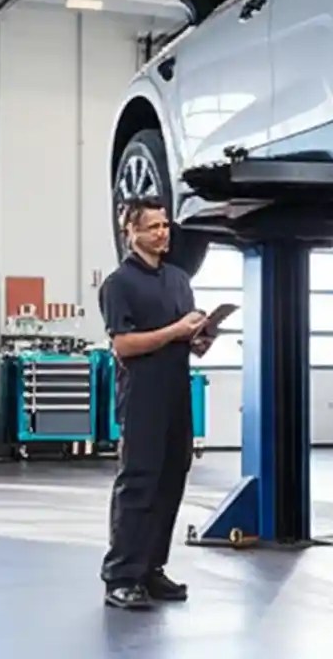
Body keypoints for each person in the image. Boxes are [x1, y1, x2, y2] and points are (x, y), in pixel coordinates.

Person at [98, 196, 214, 610]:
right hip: (142, 394)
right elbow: (124, 345)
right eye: (153, 227)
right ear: (131, 232)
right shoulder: (118, 284)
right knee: (139, 483)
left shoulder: (180, 280)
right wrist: (175, 330)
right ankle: (121, 577)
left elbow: (188, 341)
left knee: (171, 480)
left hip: (176, 392)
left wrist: (200, 336)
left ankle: (151, 569)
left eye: (165, 225)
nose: (162, 233)